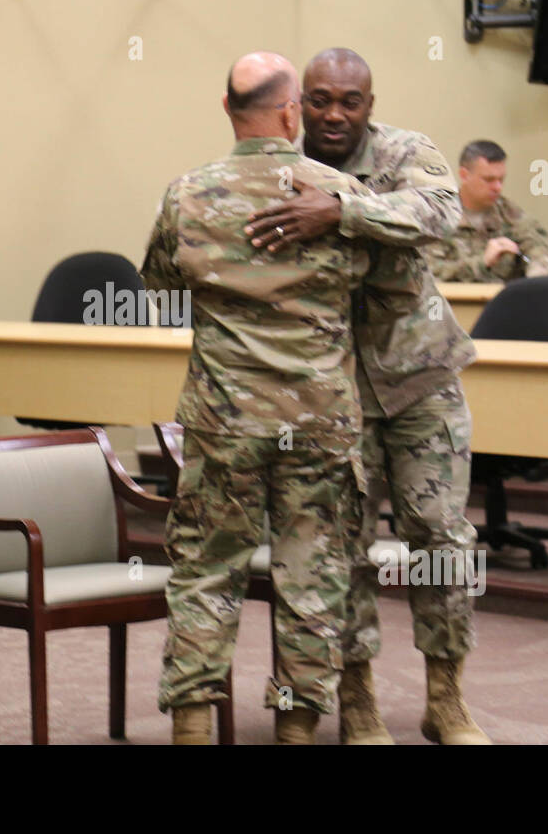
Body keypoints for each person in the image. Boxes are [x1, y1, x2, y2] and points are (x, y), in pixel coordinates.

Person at [245, 47, 489, 745]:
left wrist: (343, 210)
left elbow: (440, 213)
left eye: (349, 101)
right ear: (298, 104)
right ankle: (358, 703)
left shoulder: (406, 151)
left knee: (441, 539)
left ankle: (447, 701)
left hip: (421, 383)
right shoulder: (279, 168)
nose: (333, 114)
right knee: (341, 549)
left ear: (369, 106)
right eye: (319, 99)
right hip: (332, 393)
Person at [143, 51, 380, 746]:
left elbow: (161, 283)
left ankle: (192, 726)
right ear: (292, 112)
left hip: (225, 419)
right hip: (318, 420)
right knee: (311, 577)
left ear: (227, 109)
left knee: (207, 572)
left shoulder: (188, 194)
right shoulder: (334, 194)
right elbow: (366, 274)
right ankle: (296, 729)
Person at [423, 140, 548, 283]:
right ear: (464, 175)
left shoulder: (508, 212)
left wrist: (534, 279)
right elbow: (429, 272)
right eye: (489, 179)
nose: (497, 187)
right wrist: (482, 263)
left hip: (505, 300)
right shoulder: (438, 214)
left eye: (501, 179)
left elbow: (543, 248)